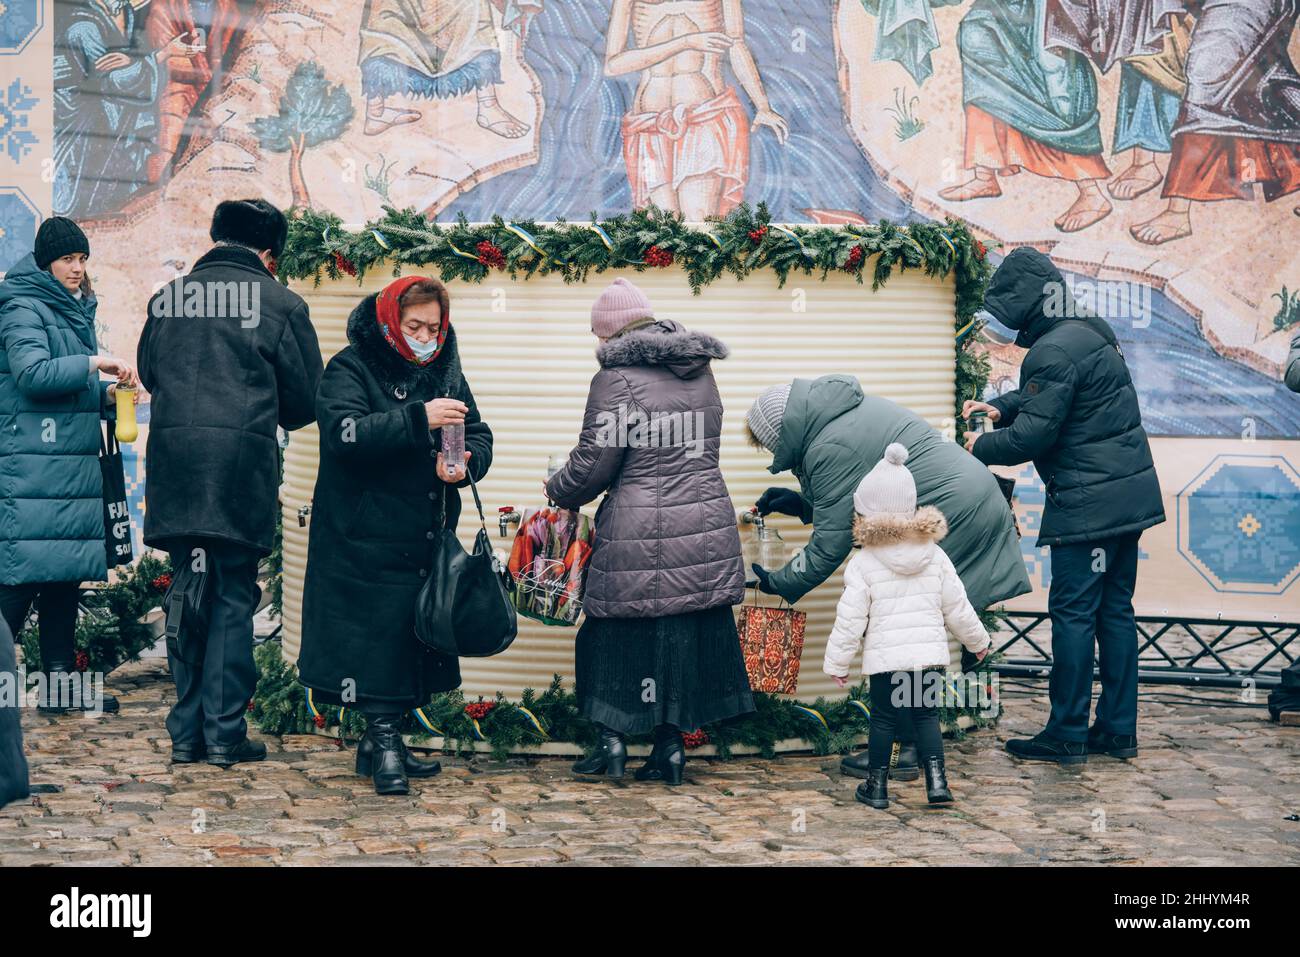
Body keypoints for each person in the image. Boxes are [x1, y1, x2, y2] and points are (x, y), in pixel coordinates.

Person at [746, 375, 1030, 781]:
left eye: (770, 444)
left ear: (783, 433)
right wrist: (802, 505)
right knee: (912, 632)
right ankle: (914, 749)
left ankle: (904, 751)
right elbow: (859, 500)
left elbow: (831, 544)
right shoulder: (839, 416)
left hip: (954, 513)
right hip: (966, 499)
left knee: (904, 629)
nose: (772, 452)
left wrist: (780, 583)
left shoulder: (829, 445)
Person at [138, 198, 323, 767]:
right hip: (239, 469)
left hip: (175, 464)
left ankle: (186, 733)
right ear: (269, 254)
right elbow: (305, 400)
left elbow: (149, 371)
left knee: (187, 595)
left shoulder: (168, 299)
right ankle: (223, 733)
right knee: (233, 596)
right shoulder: (282, 304)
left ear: (216, 236)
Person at [964, 246, 1165, 763]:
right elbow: (1052, 396)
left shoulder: (1050, 350)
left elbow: (1031, 437)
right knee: (1115, 613)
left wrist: (975, 447)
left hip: (1087, 505)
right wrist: (1000, 404)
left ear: (1027, 307)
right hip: (1129, 497)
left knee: (1073, 615)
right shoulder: (1090, 329)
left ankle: (1066, 731)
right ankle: (1118, 730)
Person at [546, 278, 751, 785]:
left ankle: (611, 744)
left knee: (611, 634)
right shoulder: (697, 371)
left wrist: (558, 489)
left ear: (611, 335)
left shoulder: (617, 379)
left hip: (639, 523)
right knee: (679, 635)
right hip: (703, 521)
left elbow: (594, 464)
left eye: (597, 335)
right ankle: (670, 749)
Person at [297, 276, 493, 796]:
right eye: (415, 326)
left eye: (435, 326)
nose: (427, 336)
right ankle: (383, 742)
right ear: (389, 321)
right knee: (373, 640)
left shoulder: (445, 370)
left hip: (423, 533)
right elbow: (345, 435)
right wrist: (416, 418)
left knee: (410, 639)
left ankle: (383, 741)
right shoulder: (351, 366)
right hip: (362, 535)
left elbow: (473, 432)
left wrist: (465, 461)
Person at [0, 216, 138, 715]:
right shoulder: (22, 304)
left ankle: (58, 685)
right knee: (19, 581)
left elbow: (66, 389)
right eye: (67, 259)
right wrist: (94, 363)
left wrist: (109, 396)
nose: (77, 268)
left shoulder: (70, 307)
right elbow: (33, 374)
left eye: (82, 259)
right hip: (33, 466)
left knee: (62, 578)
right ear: (46, 262)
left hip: (67, 464)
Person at [824, 443, 991, 809]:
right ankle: (937, 784)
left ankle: (877, 788)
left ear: (867, 513)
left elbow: (850, 617)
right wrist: (978, 642)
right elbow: (957, 607)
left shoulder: (865, 561)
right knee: (926, 716)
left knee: (883, 719)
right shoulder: (935, 554)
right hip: (927, 657)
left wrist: (837, 663)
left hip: (888, 661)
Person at [605, 0, 788, 219]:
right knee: (662, 227)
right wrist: (685, 42)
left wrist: (763, 106)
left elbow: (736, 45)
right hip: (649, 127)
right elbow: (613, 64)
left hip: (704, 121)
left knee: (698, 219)